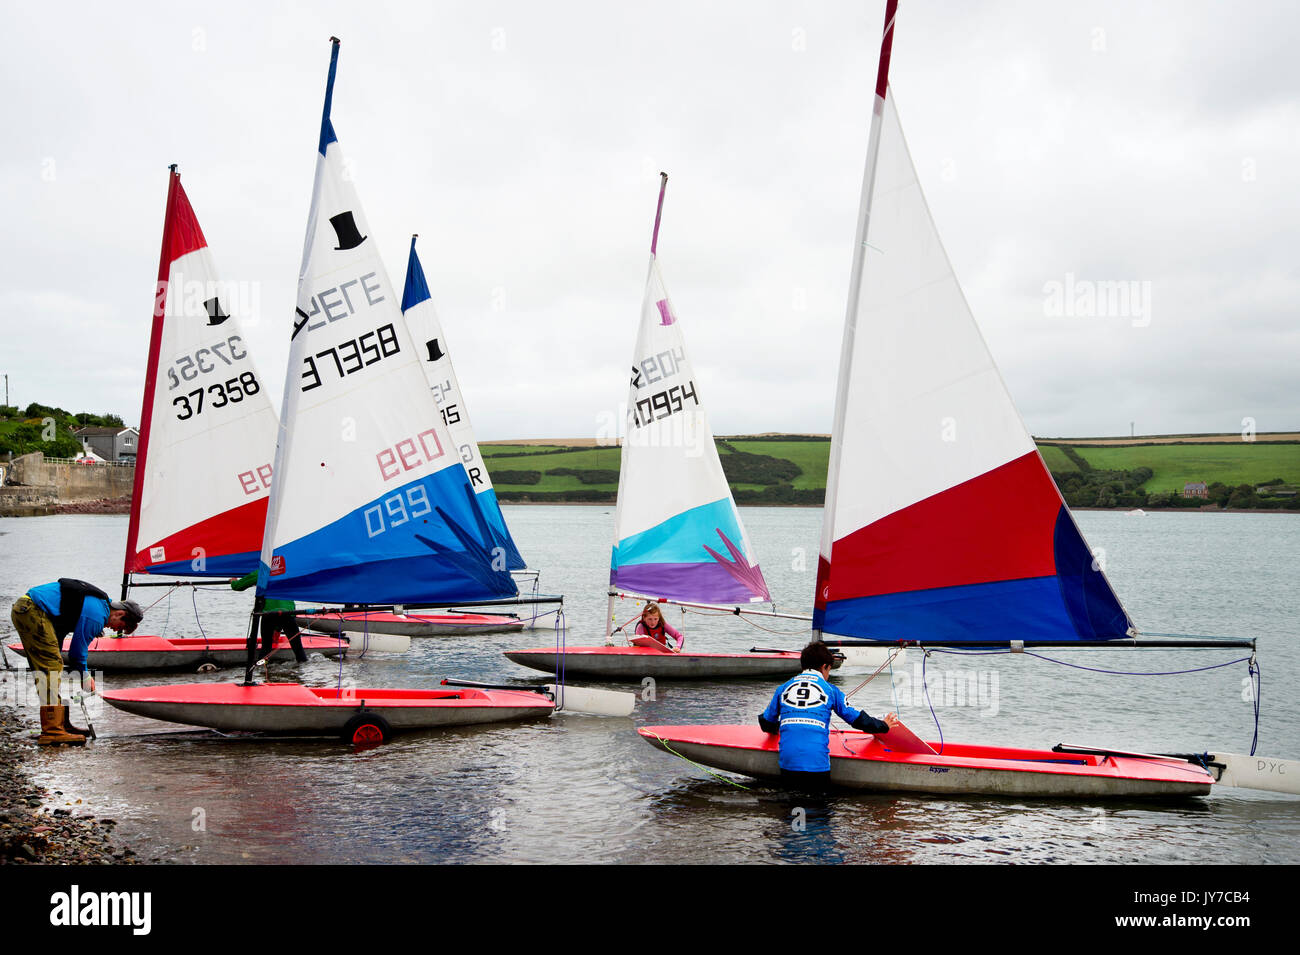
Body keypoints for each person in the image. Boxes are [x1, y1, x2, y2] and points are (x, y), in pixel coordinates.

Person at [9, 579, 142, 745]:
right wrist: (85, 675)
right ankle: (53, 731)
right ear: (120, 614)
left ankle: (60, 725)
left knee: (50, 667)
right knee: (51, 668)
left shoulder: (98, 604)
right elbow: (77, 652)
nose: (115, 630)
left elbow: (60, 627)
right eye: (120, 626)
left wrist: (57, 653)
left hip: (26, 609)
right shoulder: (98, 615)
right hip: (33, 611)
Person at [758, 641, 897, 790]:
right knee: (819, 809)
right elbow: (857, 720)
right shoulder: (830, 690)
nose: (828, 675)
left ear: (802, 665)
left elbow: (765, 723)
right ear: (825, 666)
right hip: (817, 767)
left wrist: (786, 726)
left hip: (788, 765)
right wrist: (883, 726)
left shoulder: (783, 688)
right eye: (829, 670)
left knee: (792, 808)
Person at [230, 571, 307, 675]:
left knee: (266, 648)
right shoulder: (288, 569)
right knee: (298, 649)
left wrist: (233, 581)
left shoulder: (263, 571)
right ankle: (304, 676)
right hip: (288, 613)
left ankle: (263, 672)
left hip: (269, 614)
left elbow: (238, 586)